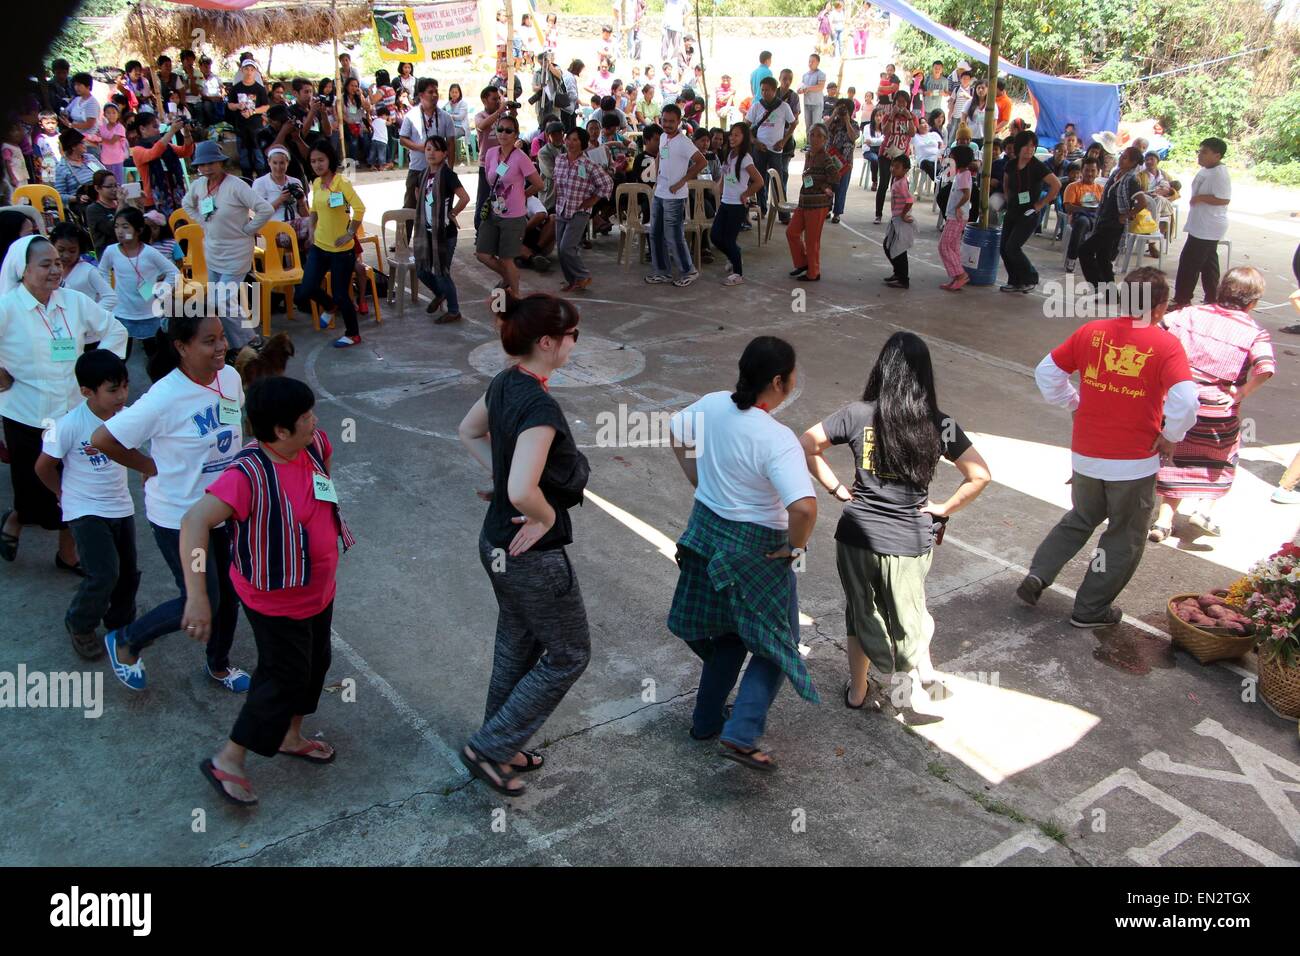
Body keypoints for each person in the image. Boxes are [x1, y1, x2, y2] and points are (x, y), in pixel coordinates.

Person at [184, 376, 353, 806]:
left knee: (316, 664)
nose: (314, 421)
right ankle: (228, 758)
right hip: (274, 600)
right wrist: (198, 595)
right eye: (305, 416)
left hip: (318, 591)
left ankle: (290, 736)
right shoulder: (246, 475)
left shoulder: (315, 445)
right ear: (279, 430)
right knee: (282, 678)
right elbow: (194, 524)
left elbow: (322, 496)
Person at [802, 332, 990, 712]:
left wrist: (838, 490)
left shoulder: (856, 414)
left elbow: (806, 444)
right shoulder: (941, 424)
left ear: (882, 369)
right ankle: (920, 669)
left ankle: (857, 693)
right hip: (909, 538)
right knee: (911, 609)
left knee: (860, 612)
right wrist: (943, 508)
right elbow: (980, 475)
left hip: (856, 536)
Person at [456, 293, 591, 796]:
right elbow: (520, 491)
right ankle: (488, 748)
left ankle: (501, 740)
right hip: (532, 556)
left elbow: (469, 432)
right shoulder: (539, 404)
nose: (576, 342)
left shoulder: (504, 383)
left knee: (516, 643)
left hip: (495, 543)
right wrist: (545, 511)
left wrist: (509, 475)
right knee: (569, 654)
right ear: (548, 342)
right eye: (573, 334)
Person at [667, 336, 818, 771]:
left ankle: (706, 721)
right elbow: (804, 508)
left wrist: (698, 479)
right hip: (756, 551)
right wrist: (794, 546)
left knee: (730, 635)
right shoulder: (777, 438)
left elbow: (677, 430)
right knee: (778, 642)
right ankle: (742, 730)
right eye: (791, 375)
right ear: (778, 381)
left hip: (706, 534)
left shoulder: (714, 405)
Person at [1017, 268, 1199, 628]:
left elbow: (1047, 372)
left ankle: (1040, 573)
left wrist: (1074, 402)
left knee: (1080, 518)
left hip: (1086, 455)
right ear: (1161, 308)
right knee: (1124, 535)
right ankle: (1091, 609)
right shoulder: (1165, 345)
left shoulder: (1092, 332)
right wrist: (1171, 435)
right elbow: (1187, 400)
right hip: (1133, 463)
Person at [91, 313, 250, 693]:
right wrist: (148, 466)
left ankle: (218, 665)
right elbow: (103, 438)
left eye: (221, 338)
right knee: (199, 598)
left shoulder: (229, 377)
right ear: (181, 347)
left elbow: (235, 426)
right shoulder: (163, 398)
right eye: (208, 341)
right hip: (178, 519)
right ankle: (127, 640)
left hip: (223, 512)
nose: (221, 347)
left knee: (230, 597)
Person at [0, 235, 128, 569]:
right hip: (26, 415)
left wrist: (97, 374)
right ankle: (15, 518)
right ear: (23, 270)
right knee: (33, 492)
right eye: (46, 264)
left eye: (58, 262)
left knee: (72, 488)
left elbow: (115, 330)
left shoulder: (73, 301)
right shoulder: (7, 307)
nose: (56, 269)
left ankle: (67, 554)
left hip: (72, 415)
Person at [1149, 267, 1275, 541]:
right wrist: (1242, 392)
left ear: (1220, 290)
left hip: (1177, 404)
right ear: (1253, 302)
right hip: (1218, 412)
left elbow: (1155, 331)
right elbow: (1265, 367)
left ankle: (1163, 521)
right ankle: (1204, 510)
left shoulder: (1188, 314)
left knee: (1174, 459)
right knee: (1223, 459)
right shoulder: (1254, 331)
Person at [35, 349, 138, 658]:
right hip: (84, 509)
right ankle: (80, 623)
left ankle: (120, 624)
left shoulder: (128, 416)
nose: (121, 395)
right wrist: (60, 494)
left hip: (121, 505)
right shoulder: (69, 424)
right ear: (86, 391)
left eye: (124, 386)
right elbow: (43, 466)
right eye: (112, 389)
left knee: (128, 573)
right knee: (104, 573)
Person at [182, 140, 274, 350]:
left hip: (237, 252)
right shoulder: (198, 185)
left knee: (221, 301)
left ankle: (251, 339)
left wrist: (249, 229)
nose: (206, 168)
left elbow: (265, 209)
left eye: (211, 163)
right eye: (202, 165)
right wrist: (201, 221)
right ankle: (235, 346)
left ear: (220, 163)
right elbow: (187, 203)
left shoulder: (236, 186)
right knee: (219, 302)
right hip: (213, 251)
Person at [293, 140, 365, 349]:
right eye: (313, 161)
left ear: (330, 160)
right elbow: (314, 209)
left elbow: (359, 208)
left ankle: (353, 334)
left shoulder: (341, 182)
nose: (317, 164)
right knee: (305, 291)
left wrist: (350, 233)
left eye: (321, 160)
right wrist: (312, 230)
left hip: (341, 251)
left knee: (342, 294)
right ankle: (328, 305)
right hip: (320, 247)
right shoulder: (316, 183)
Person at [477, 114, 543, 300]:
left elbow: (539, 184)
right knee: (482, 253)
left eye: (508, 130)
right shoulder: (491, 154)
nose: (503, 133)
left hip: (513, 215)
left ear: (516, 135)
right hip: (493, 211)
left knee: (507, 258)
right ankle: (509, 276)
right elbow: (491, 181)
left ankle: (515, 296)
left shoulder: (520, 157)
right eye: (500, 129)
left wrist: (522, 196)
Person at [97, 207, 178, 354]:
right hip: (122, 311)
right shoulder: (111, 251)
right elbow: (102, 271)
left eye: (125, 227)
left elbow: (173, 272)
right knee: (120, 354)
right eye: (116, 226)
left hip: (149, 311)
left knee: (154, 353)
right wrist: (108, 292)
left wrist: (160, 290)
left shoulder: (150, 253)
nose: (120, 231)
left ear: (139, 230)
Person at [646, 104, 705, 288]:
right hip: (660, 193)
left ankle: (689, 271)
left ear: (679, 121)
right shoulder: (663, 137)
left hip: (675, 196)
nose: (668, 124)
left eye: (672, 121)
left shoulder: (684, 142)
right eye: (665, 120)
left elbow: (701, 161)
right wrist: (655, 176)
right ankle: (662, 271)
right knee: (655, 234)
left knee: (673, 236)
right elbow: (660, 157)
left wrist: (683, 181)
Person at [413, 135, 469, 324]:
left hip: (445, 233)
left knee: (442, 272)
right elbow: (418, 196)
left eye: (436, 149)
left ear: (445, 154)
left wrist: (452, 213)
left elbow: (464, 198)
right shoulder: (422, 175)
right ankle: (440, 294)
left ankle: (454, 311)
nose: (431, 152)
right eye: (428, 148)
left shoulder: (447, 175)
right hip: (427, 231)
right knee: (421, 270)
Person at [1172, 137, 1232, 310]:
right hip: (1202, 224)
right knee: (1208, 263)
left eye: (1205, 152)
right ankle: (1212, 297)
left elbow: (1223, 199)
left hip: (1208, 226)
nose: (1200, 155)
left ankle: (1182, 299)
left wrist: (1200, 198)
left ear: (1217, 155)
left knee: (1189, 263)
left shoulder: (1219, 174)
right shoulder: (1208, 170)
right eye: (1200, 151)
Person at [552, 128, 614, 294]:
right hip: (561, 209)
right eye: (569, 139)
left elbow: (607, 184)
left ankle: (582, 275)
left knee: (567, 247)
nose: (570, 143)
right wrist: (555, 202)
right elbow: (556, 182)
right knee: (560, 249)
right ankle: (573, 280)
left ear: (583, 143)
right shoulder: (560, 159)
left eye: (575, 140)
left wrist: (592, 200)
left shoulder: (588, 165)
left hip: (579, 211)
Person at [998, 130, 1060, 294]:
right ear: (1019, 147)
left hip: (1029, 213)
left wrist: (1041, 204)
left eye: (1033, 146)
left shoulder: (1038, 167)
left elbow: (1056, 185)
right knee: (1003, 247)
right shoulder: (1011, 164)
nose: (1029, 149)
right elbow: (1006, 181)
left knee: (1013, 247)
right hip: (1013, 210)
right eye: (1026, 146)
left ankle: (1030, 277)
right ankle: (1015, 281)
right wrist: (1006, 196)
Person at [1077, 146, 1141, 297]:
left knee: (1085, 250)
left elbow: (1141, 202)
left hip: (1113, 225)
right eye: (1122, 155)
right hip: (1103, 220)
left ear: (1132, 163)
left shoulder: (1131, 179)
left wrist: (1126, 215)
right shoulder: (1116, 174)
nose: (1121, 159)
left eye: (1125, 157)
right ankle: (1110, 294)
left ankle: (1100, 288)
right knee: (1102, 258)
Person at [401, 80, 457, 241]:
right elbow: (403, 139)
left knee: (440, 204)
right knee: (411, 203)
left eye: (436, 91)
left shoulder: (445, 117)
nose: (434, 95)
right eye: (430, 92)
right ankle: (404, 239)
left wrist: (450, 169)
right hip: (418, 168)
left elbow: (451, 143)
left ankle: (441, 236)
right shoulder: (411, 116)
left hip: (439, 170)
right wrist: (421, 148)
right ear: (420, 95)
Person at [710, 122, 762, 286]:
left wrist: (745, 194)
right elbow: (725, 176)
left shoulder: (746, 159)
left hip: (737, 206)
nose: (732, 138)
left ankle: (738, 273)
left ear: (744, 138)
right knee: (715, 236)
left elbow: (759, 181)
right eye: (731, 134)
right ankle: (734, 256)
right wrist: (718, 188)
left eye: (737, 135)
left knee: (729, 240)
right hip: (725, 203)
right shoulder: (729, 154)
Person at [786, 123, 838, 283]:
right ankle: (803, 263)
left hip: (817, 203)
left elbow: (835, 177)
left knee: (812, 239)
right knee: (792, 232)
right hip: (804, 201)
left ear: (825, 139)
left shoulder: (826, 157)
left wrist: (825, 187)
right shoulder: (809, 155)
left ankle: (813, 272)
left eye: (819, 136)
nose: (814, 138)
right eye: (812, 135)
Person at [746, 77, 797, 223]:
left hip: (776, 150)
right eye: (762, 90)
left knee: (778, 182)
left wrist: (784, 140)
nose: (764, 93)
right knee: (760, 181)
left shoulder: (783, 107)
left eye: (767, 90)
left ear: (775, 90)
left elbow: (794, 124)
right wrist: (754, 142)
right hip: (760, 148)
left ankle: (784, 214)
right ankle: (762, 210)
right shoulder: (756, 106)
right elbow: (746, 126)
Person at [128, 112, 193, 220]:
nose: (158, 130)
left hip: (175, 194)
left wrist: (186, 132)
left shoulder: (165, 145)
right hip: (154, 200)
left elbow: (186, 151)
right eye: (155, 126)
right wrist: (171, 131)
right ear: (142, 129)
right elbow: (154, 153)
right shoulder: (138, 150)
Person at [51, 221, 115, 310]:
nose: (66, 255)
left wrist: (90, 314)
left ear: (80, 250)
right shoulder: (50, 270)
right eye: (61, 250)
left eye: (72, 251)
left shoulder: (89, 271)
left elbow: (111, 297)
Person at [875, 91, 917, 225]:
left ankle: (899, 214)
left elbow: (912, 133)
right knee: (883, 183)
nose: (901, 104)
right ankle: (878, 214)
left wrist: (908, 117)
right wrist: (892, 116)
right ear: (894, 103)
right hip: (886, 154)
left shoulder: (912, 117)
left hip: (901, 156)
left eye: (904, 102)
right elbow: (885, 131)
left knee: (900, 186)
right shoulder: (888, 116)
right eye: (898, 101)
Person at [939, 144, 974, 291]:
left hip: (956, 217)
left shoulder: (963, 176)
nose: (950, 159)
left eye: (952, 157)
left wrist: (958, 207)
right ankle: (955, 277)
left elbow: (967, 194)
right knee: (953, 246)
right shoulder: (962, 174)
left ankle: (960, 275)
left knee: (944, 246)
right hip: (956, 215)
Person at [227, 59, 270, 179]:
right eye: (246, 69)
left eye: (252, 69)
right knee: (244, 156)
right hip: (241, 127)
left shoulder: (260, 89)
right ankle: (247, 180)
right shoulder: (235, 88)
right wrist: (237, 106)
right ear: (242, 70)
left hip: (256, 127)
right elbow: (230, 105)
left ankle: (262, 179)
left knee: (259, 156)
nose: (249, 72)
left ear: (255, 71)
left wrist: (254, 111)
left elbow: (266, 106)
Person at [1061, 156, 1103, 273]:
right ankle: (1072, 258)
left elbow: (1103, 207)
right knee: (1082, 222)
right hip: (1079, 217)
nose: (1089, 173)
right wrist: (1085, 209)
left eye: (1093, 171)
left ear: (1097, 172)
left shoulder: (1100, 189)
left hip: (1095, 218)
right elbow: (1068, 207)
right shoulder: (1073, 187)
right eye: (1087, 170)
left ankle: (1107, 261)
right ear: (1082, 171)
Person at [881, 156, 915, 289]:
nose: (892, 169)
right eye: (892, 166)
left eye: (897, 167)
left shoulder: (901, 183)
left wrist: (903, 215)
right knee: (889, 246)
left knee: (898, 249)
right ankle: (898, 273)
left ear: (905, 170)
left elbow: (910, 200)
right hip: (896, 219)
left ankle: (903, 279)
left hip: (900, 220)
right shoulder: (896, 179)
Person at [54, 129, 105, 210]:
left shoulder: (90, 158)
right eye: (82, 143)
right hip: (82, 203)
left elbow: (105, 173)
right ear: (73, 146)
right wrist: (77, 198)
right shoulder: (62, 168)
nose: (85, 145)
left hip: (101, 194)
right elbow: (59, 195)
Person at [825, 100, 858, 224]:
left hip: (845, 162)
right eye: (839, 109)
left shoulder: (854, 124)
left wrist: (847, 120)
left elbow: (853, 137)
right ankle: (827, 209)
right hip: (830, 159)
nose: (841, 112)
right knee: (828, 185)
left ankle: (837, 213)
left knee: (841, 188)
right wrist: (834, 115)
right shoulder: (833, 123)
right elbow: (823, 128)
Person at [798, 55, 827, 141]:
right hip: (807, 103)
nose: (810, 63)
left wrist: (808, 88)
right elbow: (802, 86)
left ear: (818, 62)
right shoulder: (805, 75)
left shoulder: (821, 74)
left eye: (813, 61)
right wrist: (800, 90)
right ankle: (809, 143)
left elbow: (820, 87)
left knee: (816, 125)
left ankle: (817, 144)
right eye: (809, 61)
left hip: (817, 103)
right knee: (808, 125)